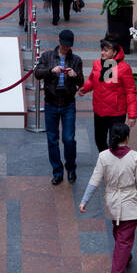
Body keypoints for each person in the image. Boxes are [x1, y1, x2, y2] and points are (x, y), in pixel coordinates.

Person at [78, 121, 137, 273]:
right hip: (130, 202)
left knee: (119, 231)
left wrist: (84, 201)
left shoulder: (104, 156)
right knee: (124, 238)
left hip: (112, 202)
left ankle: (125, 256)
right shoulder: (135, 157)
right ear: (127, 138)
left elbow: (95, 180)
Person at [34, 29, 84, 184]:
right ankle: (57, 171)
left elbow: (81, 82)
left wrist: (75, 76)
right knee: (52, 139)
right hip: (51, 102)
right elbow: (37, 73)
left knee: (69, 139)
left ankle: (71, 168)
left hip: (68, 103)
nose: (66, 49)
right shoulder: (47, 56)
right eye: (64, 46)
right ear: (59, 42)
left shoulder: (76, 60)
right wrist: (50, 70)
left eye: (68, 47)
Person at [78, 35, 137, 153]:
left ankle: (112, 165)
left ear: (114, 51)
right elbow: (92, 80)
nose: (102, 53)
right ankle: (106, 161)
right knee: (99, 141)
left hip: (116, 113)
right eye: (101, 50)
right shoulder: (97, 64)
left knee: (114, 143)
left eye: (106, 50)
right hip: (99, 111)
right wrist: (84, 89)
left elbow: (130, 91)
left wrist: (132, 115)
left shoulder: (124, 68)